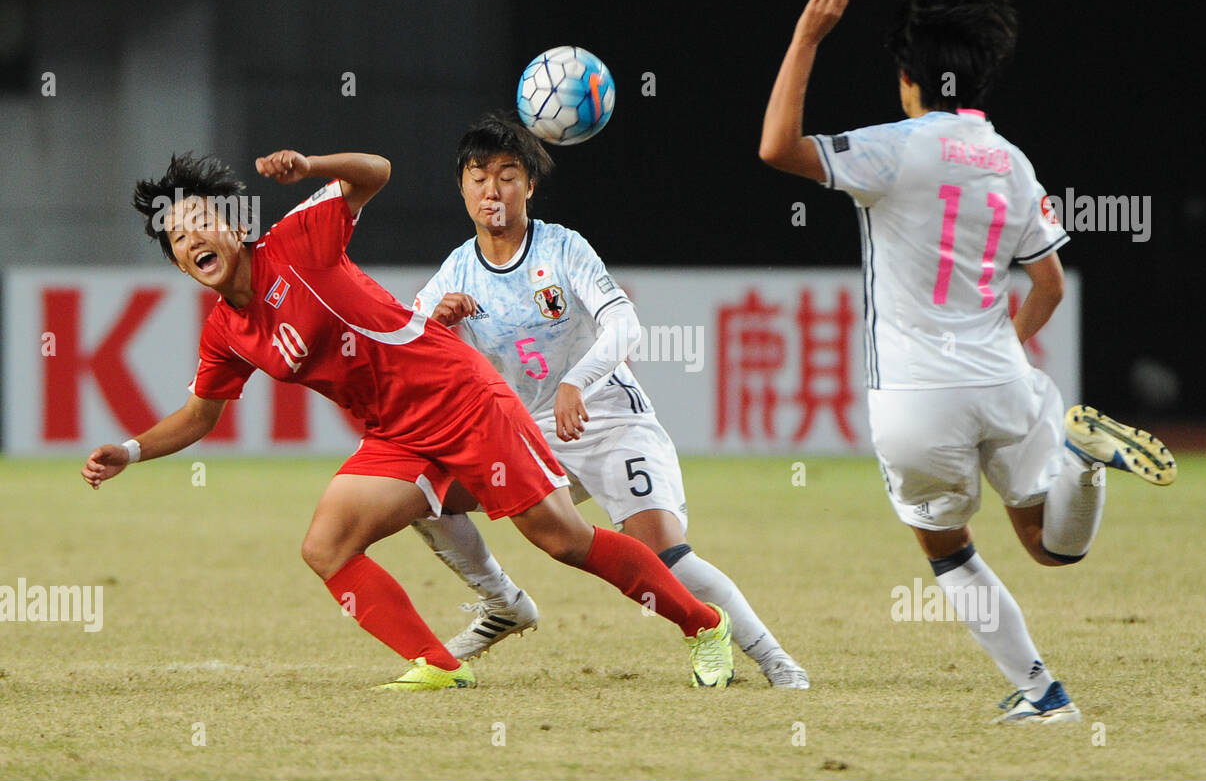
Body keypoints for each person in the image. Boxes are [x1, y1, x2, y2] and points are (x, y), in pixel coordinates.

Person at [81, 148, 736, 690]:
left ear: (236, 224)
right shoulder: (227, 330)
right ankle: (439, 665)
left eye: (200, 221)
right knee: (326, 545)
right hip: (397, 434)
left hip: (462, 399)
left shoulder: (299, 242)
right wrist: (130, 451)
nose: (191, 236)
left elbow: (375, 172)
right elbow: (200, 414)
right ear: (174, 263)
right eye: (176, 237)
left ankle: (703, 624)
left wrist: (311, 166)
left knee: (563, 540)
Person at [759, 0, 1176, 722]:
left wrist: (806, 39)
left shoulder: (892, 151)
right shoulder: (1010, 161)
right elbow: (1048, 285)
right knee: (1053, 547)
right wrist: (1007, 349)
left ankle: (1047, 696)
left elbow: (776, 148)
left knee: (947, 549)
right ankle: (1081, 463)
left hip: (916, 398)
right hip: (1003, 384)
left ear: (908, 75)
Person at [408, 114, 809, 688]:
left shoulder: (562, 247)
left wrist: (579, 381)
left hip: (607, 419)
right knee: (426, 492)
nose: (491, 189)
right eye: (478, 176)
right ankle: (504, 604)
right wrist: (435, 326)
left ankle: (775, 662)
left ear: (530, 187)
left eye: (507, 175)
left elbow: (623, 322)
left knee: (669, 559)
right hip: (526, 434)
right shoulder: (456, 271)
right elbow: (406, 350)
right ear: (461, 187)